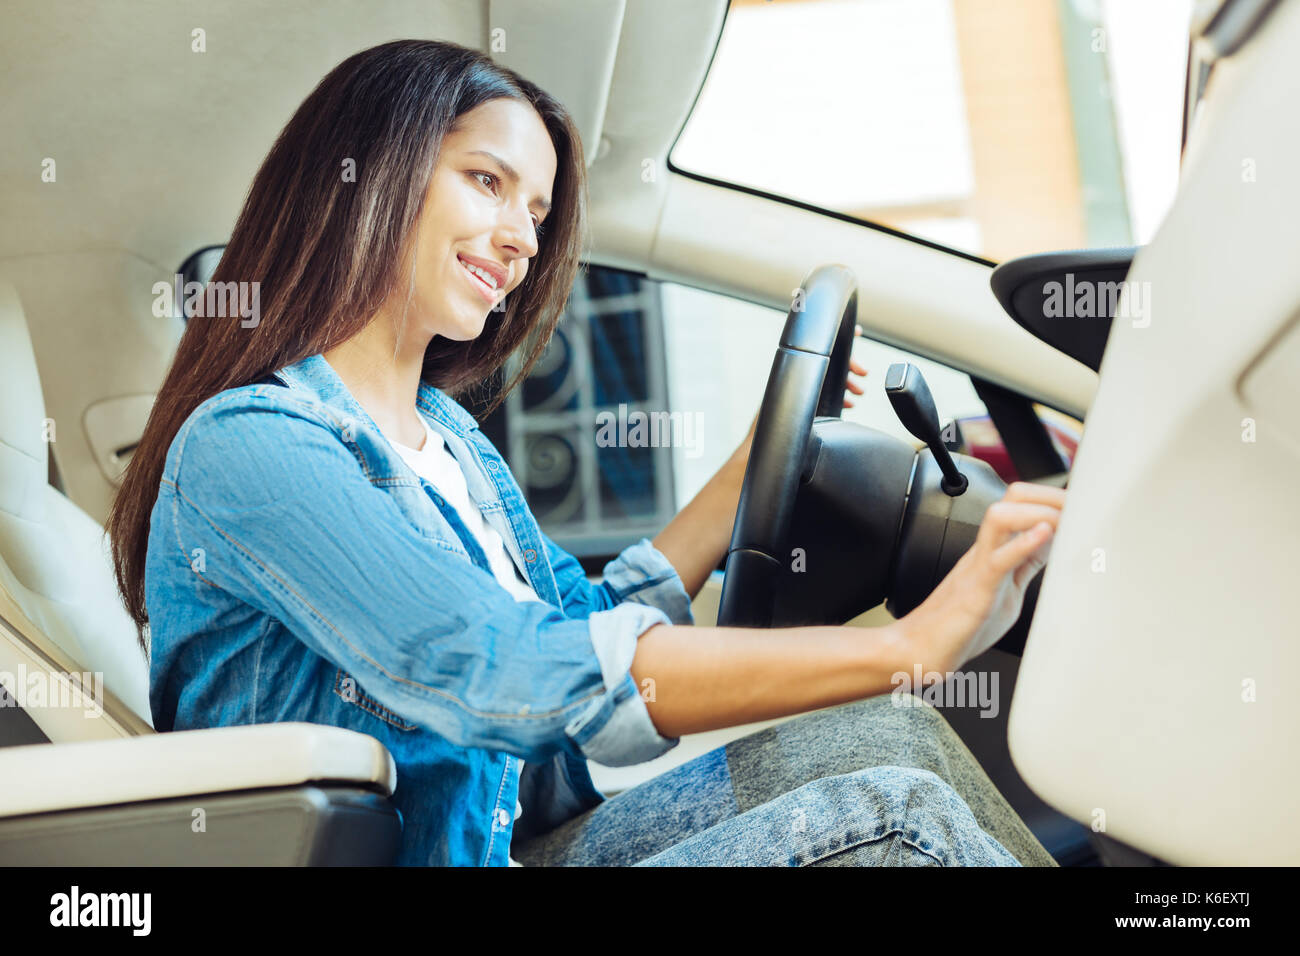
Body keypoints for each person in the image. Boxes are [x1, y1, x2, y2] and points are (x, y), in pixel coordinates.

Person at [107, 39, 1064, 867]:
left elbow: (576, 629)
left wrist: (751, 471)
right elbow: (500, 668)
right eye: (488, 182)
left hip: (517, 840)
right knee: (888, 811)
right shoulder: (248, 448)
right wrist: (907, 646)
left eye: (536, 208)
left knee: (886, 740)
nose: (522, 237)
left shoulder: (450, 446)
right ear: (370, 173)